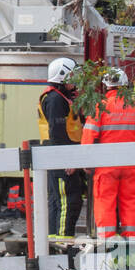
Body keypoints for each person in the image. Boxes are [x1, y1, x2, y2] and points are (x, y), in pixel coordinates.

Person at [80, 68, 135, 240]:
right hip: (131, 166)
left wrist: (87, 163)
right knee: (130, 204)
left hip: (106, 166)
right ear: (125, 85)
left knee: (105, 202)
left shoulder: (100, 107)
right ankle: (133, 239)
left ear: (106, 86)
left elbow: (89, 136)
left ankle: (107, 240)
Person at [38, 57, 86, 240]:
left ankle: (54, 239)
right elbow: (57, 132)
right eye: (72, 77)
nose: (75, 81)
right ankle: (63, 241)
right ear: (62, 76)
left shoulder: (59, 98)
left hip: (59, 155)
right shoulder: (56, 100)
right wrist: (69, 160)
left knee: (58, 201)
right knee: (68, 201)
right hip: (61, 157)